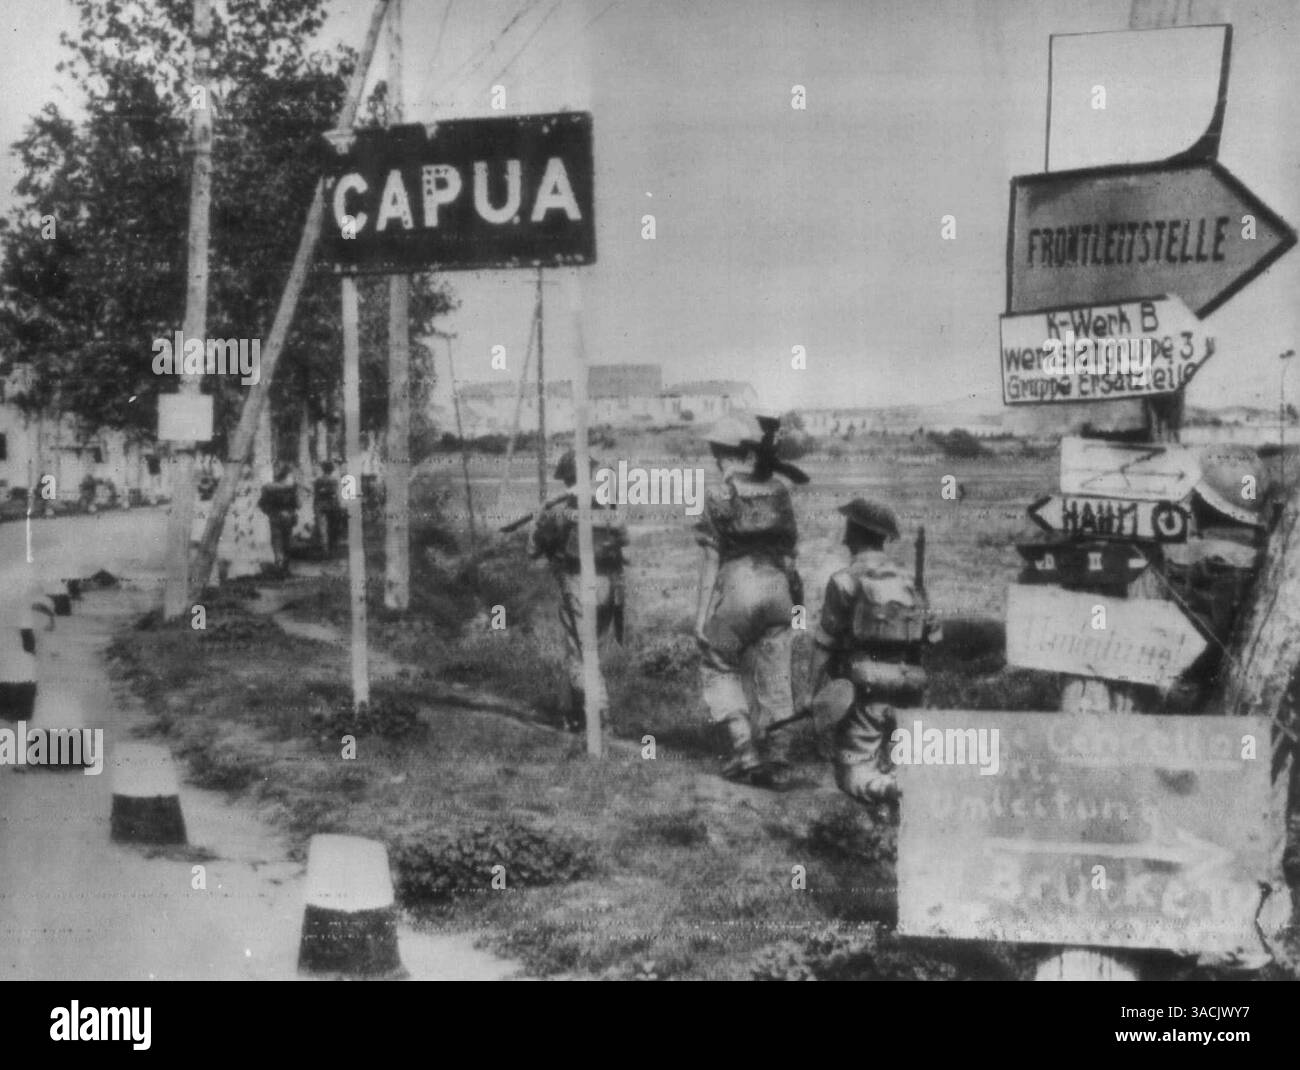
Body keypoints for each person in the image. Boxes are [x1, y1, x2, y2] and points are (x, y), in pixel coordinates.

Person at [806, 498, 939, 803]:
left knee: (853, 772)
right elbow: (933, 636)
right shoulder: (911, 582)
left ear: (854, 533)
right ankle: (893, 813)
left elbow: (824, 642)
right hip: (910, 685)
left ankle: (886, 792)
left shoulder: (844, 580)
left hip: (865, 688)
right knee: (899, 762)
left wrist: (810, 693)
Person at [693, 415, 802, 788]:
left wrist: (702, 615)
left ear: (720, 452)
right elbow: (790, 552)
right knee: (776, 676)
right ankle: (780, 759)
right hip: (778, 590)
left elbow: (711, 558)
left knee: (718, 661)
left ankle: (744, 752)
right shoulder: (779, 490)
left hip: (737, 587)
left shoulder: (718, 494)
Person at [528, 449, 628, 733]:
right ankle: (574, 714)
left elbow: (533, 550)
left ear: (566, 477)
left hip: (577, 583)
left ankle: (600, 716)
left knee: (581, 655)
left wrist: (541, 512)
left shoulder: (558, 510)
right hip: (610, 585)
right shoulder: (608, 503)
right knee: (588, 650)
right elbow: (624, 537)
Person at [259, 463, 300, 574]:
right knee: (287, 541)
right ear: (286, 476)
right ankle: (286, 567)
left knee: (276, 541)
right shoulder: (292, 487)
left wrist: (269, 512)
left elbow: (261, 504)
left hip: (274, 516)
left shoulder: (267, 488)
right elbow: (298, 504)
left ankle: (279, 563)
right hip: (289, 516)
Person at [313, 461, 344, 557]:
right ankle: (332, 548)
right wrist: (339, 505)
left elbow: (316, 494)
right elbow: (336, 494)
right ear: (331, 470)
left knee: (322, 527)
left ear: (323, 469)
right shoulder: (334, 480)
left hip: (320, 505)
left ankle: (325, 549)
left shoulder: (318, 480)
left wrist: (314, 506)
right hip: (332, 505)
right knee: (332, 526)